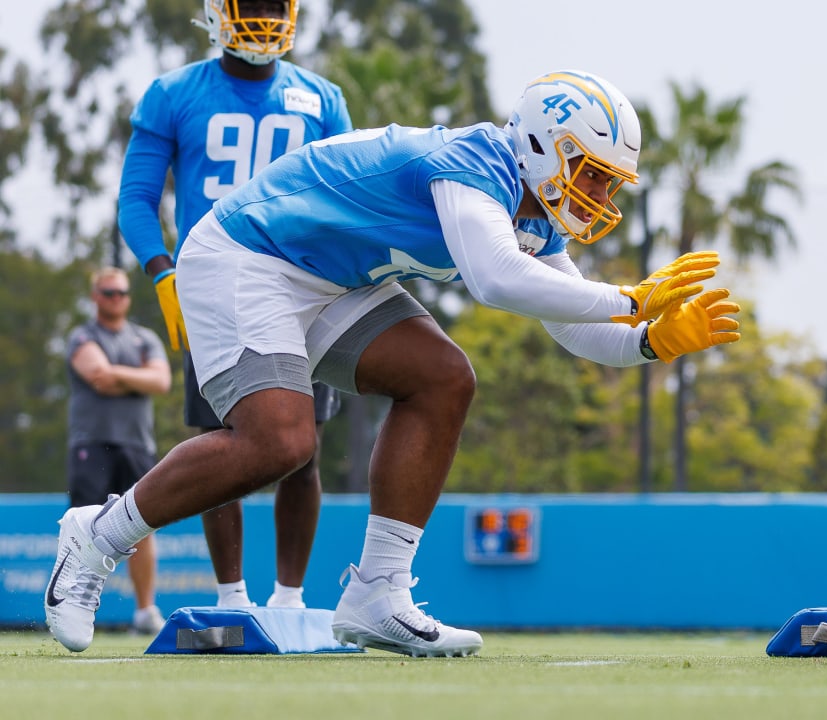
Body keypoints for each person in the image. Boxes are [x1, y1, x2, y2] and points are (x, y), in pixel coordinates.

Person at [44, 69, 740, 656]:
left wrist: (651, 341)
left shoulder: (533, 208)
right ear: (537, 142)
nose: (598, 194)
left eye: (608, 181)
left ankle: (378, 590)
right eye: (589, 171)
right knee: (281, 442)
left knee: (443, 378)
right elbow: (498, 280)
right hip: (246, 253)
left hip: (332, 277)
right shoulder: (475, 163)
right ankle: (98, 537)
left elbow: (571, 322)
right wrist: (629, 298)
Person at [116, 0, 352, 609]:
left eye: (277, 5)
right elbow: (137, 199)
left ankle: (290, 600)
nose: (266, 17)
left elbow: (342, 196)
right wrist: (162, 270)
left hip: (300, 284)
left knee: (302, 448)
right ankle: (231, 598)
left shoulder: (321, 98)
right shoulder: (174, 93)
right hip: (215, 284)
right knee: (224, 438)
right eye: (254, 4)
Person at [64, 267, 172, 635]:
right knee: (83, 525)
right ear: (96, 296)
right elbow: (99, 377)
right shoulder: (82, 336)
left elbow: (161, 380)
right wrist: (135, 378)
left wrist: (118, 374)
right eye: (109, 293)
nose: (116, 299)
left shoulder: (144, 338)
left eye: (122, 293)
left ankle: (144, 611)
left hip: (136, 444)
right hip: (92, 443)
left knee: (141, 525)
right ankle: (70, 603)